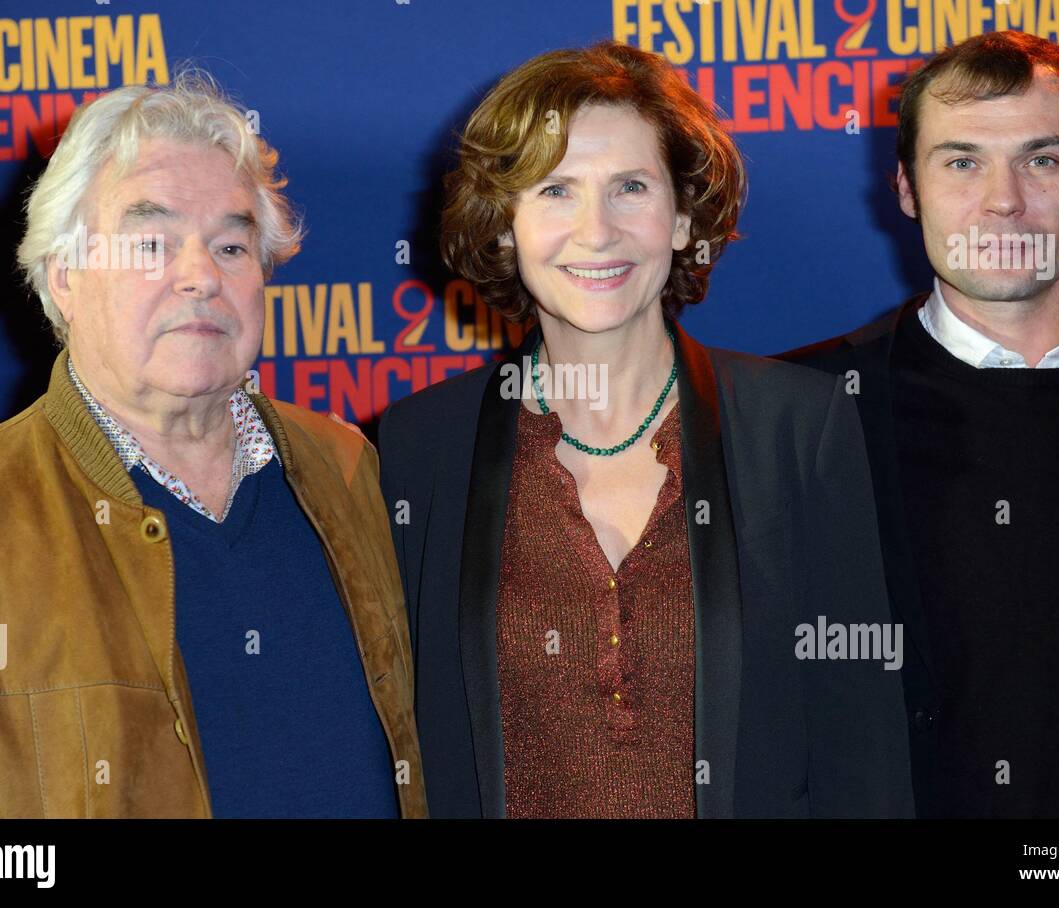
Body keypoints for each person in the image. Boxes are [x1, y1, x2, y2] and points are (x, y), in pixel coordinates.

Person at [377, 41, 913, 818]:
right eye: (555, 191)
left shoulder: (798, 426)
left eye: (631, 186)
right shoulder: (421, 446)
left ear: (683, 215)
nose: (597, 231)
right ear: (504, 228)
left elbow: (861, 746)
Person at [0, 72, 425, 818]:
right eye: (152, 241)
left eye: (233, 246)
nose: (200, 277)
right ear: (65, 276)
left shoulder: (349, 469)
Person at [779, 30, 1059, 817]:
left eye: (1043, 159)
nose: (1003, 199)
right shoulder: (795, 412)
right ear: (906, 187)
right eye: (962, 161)